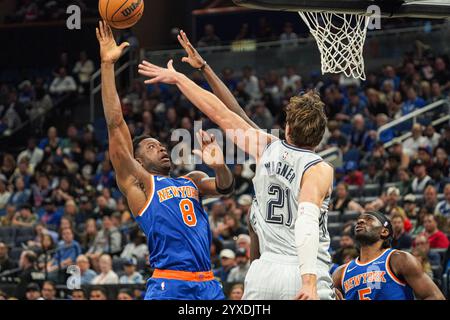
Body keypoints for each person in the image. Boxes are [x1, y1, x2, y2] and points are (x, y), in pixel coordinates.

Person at [140, 31, 336, 300]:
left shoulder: (266, 146)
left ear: (287, 127)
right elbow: (306, 223)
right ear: (320, 134)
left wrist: (180, 78)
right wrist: (310, 281)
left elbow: (221, 113)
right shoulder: (319, 168)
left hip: (262, 273)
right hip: (302, 268)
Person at [96, 21, 233, 300]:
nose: (161, 149)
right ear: (137, 160)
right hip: (169, 285)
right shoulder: (140, 185)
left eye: (160, 145)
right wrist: (108, 65)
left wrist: (220, 167)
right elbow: (115, 123)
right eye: (151, 147)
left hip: (208, 283)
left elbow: (225, 188)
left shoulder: (191, 180)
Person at [332, 212, 444, 300]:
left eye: (369, 219)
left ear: (384, 232)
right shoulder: (340, 273)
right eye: (359, 220)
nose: (360, 221)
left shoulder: (399, 259)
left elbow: (436, 297)